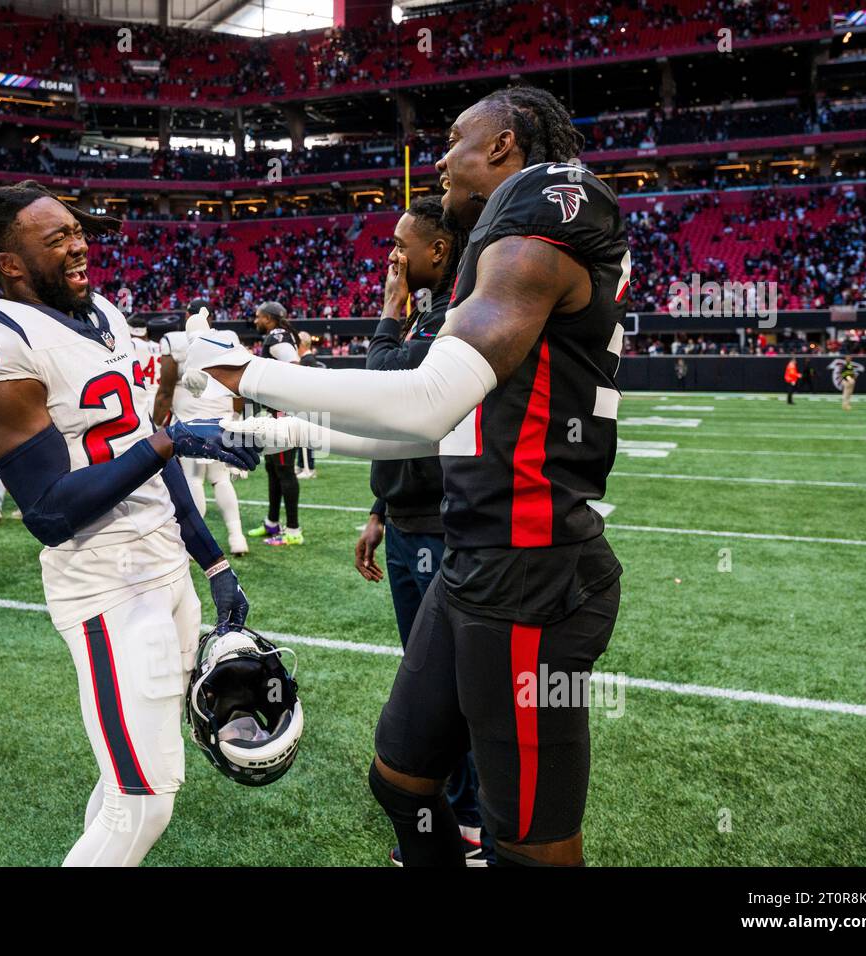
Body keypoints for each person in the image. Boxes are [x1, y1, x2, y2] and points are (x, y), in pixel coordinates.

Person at [187, 85, 627, 867]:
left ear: (502, 146)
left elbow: (425, 403)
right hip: (476, 559)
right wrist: (269, 426)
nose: (441, 160)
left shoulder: (544, 214)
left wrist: (243, 370)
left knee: (530, 845)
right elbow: (434, 432)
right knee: (402, 779)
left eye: (456, 139)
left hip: (532, 571)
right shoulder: (504, 240)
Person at [0, 180, 259, 866]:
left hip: (166, 568)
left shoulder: (103, 312)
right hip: (108, 586)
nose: (79, 243)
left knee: (127, 786)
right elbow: (50, 511)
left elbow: (143, 447)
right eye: (56, 238)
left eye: (76, 230)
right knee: (145, 799)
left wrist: (214, 564)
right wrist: (170, 442)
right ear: (10, 263)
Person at [352, 195, 484, 864]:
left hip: (440, 526)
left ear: (439, 251)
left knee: (447, 685)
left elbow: (385, 389)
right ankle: (455, 807)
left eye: (404, 245)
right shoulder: (425, 316)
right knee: (427, 672)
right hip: (407, 522)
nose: (393, 257)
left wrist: (386, 310)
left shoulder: (451, 318)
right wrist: (380, 511)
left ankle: (469, 818)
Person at [155, 299, 248, 555]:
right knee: (221, 480)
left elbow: (165, 389)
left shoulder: (175, 340)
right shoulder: (228, 337)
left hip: (191, 422)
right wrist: (236, 415)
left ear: (188, 316)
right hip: (222, 418)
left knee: (193, 480)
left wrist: (155, 422)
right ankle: (236, 537)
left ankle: (196, 543)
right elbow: (241, 379)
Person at [247, 301, 303, 546]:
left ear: (269, 318)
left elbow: (293, 366)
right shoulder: (279, 335)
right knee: (273, 469)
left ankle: (293, 530)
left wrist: (280, 399)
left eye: (258, 317)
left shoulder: (277, 335)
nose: (255, 321)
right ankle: (272, 522)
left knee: (285, 470)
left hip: (282, 415)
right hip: (276, 414)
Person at [294, 331, 324, 479]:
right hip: (309, 403)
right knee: (302, 437)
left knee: (306, 437)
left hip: (307, 404)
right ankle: (302, 465)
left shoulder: (307, 360)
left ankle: (308, 468)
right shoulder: (309, 359)